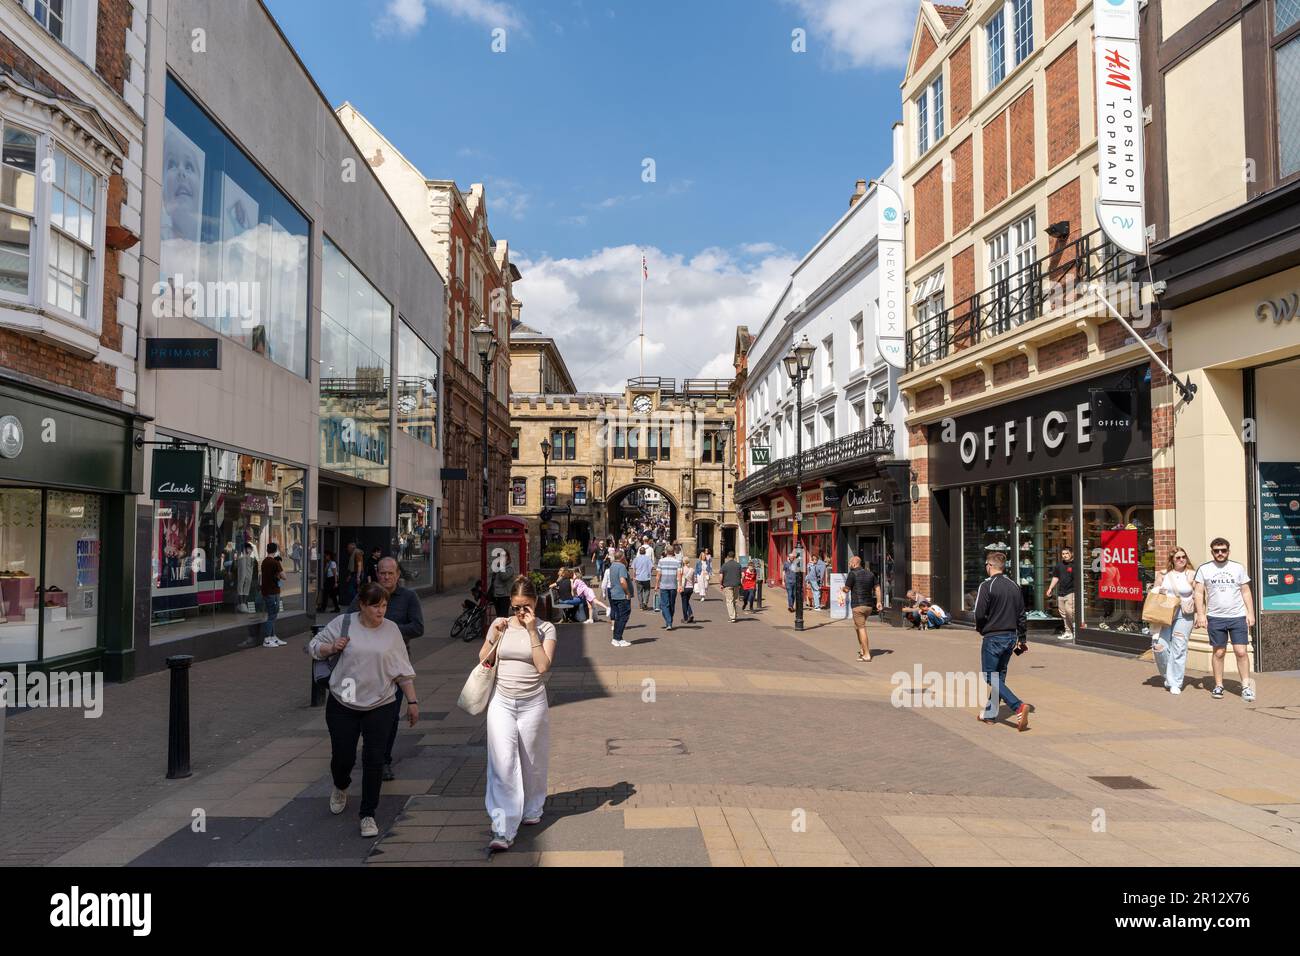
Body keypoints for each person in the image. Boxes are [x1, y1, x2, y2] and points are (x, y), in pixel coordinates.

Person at [309, 582, 418, 838]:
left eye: (384, 606)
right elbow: (314, 647)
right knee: (343, 757)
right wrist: (331, 647)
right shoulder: (343, 623)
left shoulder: (391, 630)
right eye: (375, 606)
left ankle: (368, 814)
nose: (381, 611)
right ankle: (341, 784)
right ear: (362, 605)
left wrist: (412, 702)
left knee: (374, 760)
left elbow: (402, 668)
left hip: (381, 703)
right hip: (343, 702)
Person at [482, 576, 557, 851]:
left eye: (525, 606)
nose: (521, 612)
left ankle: (532, 806)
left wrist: (531, 630)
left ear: (535, 603)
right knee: (502, 764)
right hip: (501, 702)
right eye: (516, 607)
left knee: (532, 760)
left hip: (532, 703)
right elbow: (484, 660)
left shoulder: (546, 628)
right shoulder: (499, 625)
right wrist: (495, 636)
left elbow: (542, 667)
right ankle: (503, 828)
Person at [348, 557, 425, 781]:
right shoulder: (366, 594)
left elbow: (418, 627)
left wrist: (388, 629)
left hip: (395, 669)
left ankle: (383, 760)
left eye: (390, 573)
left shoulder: (409, 597)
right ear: (377, 573)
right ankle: (368, 753)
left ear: (398, 575)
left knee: (389, 717)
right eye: (382, 573)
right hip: (364, 667)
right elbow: (347, 619)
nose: (386, 577)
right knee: (360, 714)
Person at [973, 551, 1030, 731]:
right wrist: (1022, 638)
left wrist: (981, 629)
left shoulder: (986, 585)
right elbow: (1022, 614)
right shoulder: (1014, 586)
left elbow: (979, 613)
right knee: (999, 676)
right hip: (1010, 637)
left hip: (993, 636)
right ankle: (989, 714)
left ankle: (1017, 706)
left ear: (989, 566)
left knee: (990, 675)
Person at [1194, 538, 1256, 702]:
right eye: (1216, 550)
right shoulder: (1204, 569)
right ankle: (1219, 685)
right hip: (1215, 617)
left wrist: (1250, 613)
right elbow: (1199, 593)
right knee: (1219, 652)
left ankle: (1246, 686)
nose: (1220, 553)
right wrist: (1200, 614)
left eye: (1223, 550)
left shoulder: (1237, 568)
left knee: (1241, 652)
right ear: (1212, 551)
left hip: (1237, 616)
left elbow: (1246, 592)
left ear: (1228, 551)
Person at [1152, 546, 1195, 695]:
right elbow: (1154, 594)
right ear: (1172, 560)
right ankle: (1168, 676)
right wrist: (1159, 589)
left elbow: (1200, 595)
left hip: (1184, 614)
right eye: (1178, 557)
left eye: (1184, 557)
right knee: (1159, 646)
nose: (1181, 559)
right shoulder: (1163, 574)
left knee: (1179, 646)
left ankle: (1175, 682)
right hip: (1164, 613)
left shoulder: (1192, 574)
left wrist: (1201, 613)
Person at [840, 556, 880, 662]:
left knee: (861, 628)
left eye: (849, 563)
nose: (849, 565)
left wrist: (842, 589)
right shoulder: (870, 574)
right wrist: (879, 602)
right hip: (869, 606)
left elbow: (847, 589)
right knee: (857, 627)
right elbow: (877, 588)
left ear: (854, 563)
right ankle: (862, 649)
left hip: (858, 605)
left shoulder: (852, 574)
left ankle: (867, 654)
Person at [1045, 546, 1077, 642]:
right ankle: (1068, 632)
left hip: (1071, 592)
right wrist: (1050, 588)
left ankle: (1075, 631)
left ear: (1071, 554)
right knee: (1063, 613)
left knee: (1069, 612)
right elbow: (1056, 577)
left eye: (1067, 553)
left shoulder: (1075, 564)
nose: (1065, 555)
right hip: (1061, 592)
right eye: (1063, 554)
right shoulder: (1059, 565)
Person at [261, 542, 286, 647]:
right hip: (273, 592)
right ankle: (267, 639)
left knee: (272, 615)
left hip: (266, 591)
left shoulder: (264, 562)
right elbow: (284, 576)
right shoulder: (275, 563)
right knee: (272, 615)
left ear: (267, 550)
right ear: (275, 550)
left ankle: (273, 636)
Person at [654, 545, 682, 630]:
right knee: (671, 604)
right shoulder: (677, 562)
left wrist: (656, 585)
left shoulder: (661, 561)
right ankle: (669, 621)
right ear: (673, 552)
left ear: (666, 552)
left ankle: (669, 622)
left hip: (664, 585)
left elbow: (658, 575)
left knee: (664, 605)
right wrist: (680, 585)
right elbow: (679, 575)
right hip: (673, 586)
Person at [608, 550, 632, 647]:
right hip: (621, 595)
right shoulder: (621, 566)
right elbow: (622, 581)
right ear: (622, 557)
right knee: (623, 616)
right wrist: (627, 593)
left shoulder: (612, 566)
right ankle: (618, 637)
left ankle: (616, 638)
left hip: (614, 594)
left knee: (618, 617)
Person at [489, 553, 517, 620]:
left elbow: (503, 577)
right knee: (498, 617)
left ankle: (504, 630)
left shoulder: (510, 568)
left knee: (503, 617)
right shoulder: (499, 568)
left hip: (504, 596)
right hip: (496, 595)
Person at [720, 551, 743, 622]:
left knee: (729, 601)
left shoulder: (724, 565)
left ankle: (732, 617)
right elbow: (742, 575)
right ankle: (735, 614)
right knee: (734, 600)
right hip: (736, 584)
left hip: (727, 585)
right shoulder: (738, 565)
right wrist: (740, 582)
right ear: (734, 556)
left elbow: (721, 576)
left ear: (728, 557)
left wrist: (721, 584)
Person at [633, 545, 654, 611]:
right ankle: (645, 602)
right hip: (646, 577)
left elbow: (634, 569)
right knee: (647, 590)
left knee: (639, 592)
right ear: (645, 552)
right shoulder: (648, 559)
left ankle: (641, 605)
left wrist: (634, 576)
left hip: (638, 577)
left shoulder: (636, 559)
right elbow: (651, 567)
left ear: (639, 552)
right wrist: (649, 573)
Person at [679, 553, 697, 623]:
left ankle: (685, 618)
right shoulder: (692, 569)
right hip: (690, 588)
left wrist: (680, 586)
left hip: (684, 587)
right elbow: (694, 580)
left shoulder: (682, 569)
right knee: (687, 601)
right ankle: (690, 613)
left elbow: (680, 579)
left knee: (684, 603)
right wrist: (692, 587)